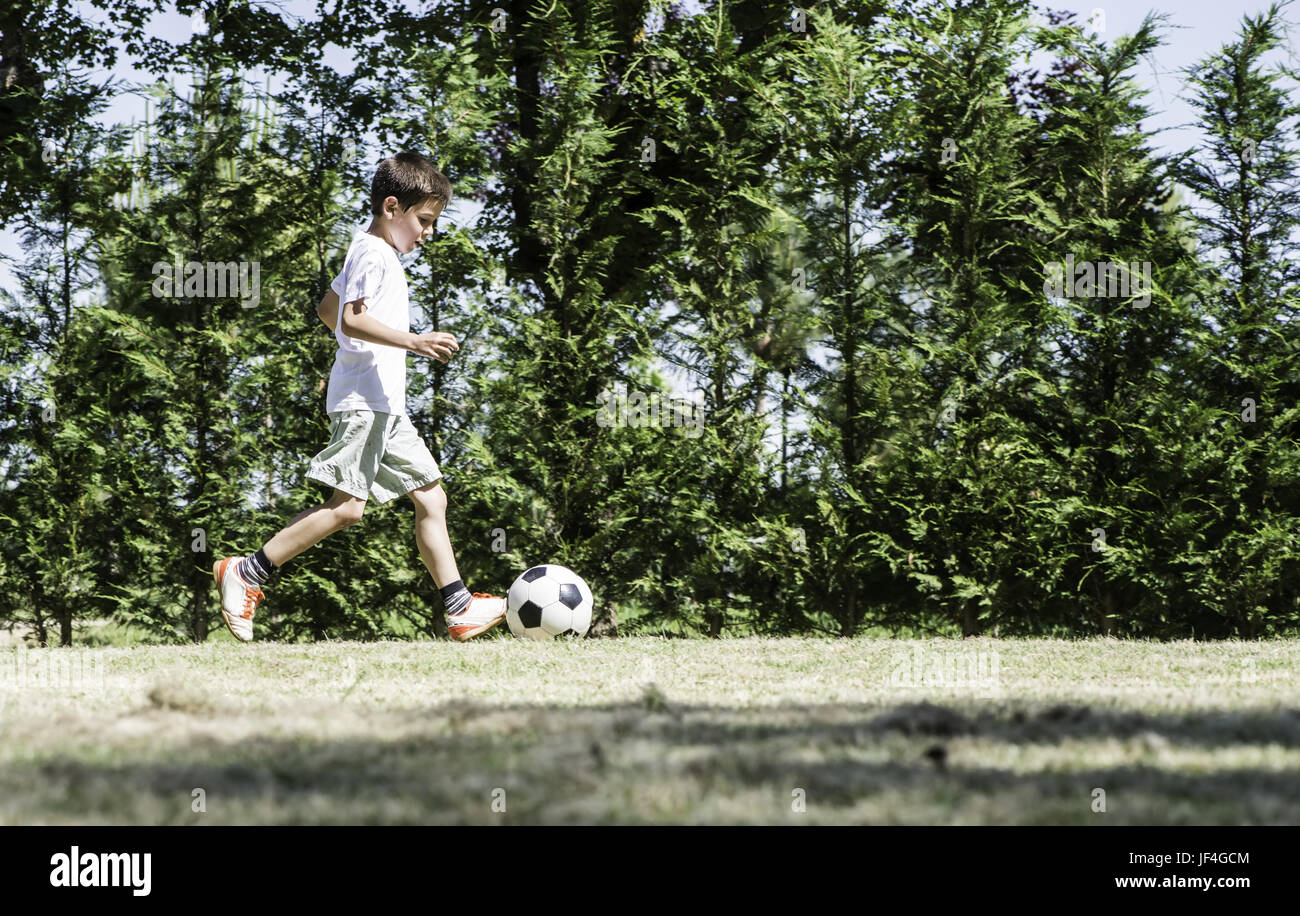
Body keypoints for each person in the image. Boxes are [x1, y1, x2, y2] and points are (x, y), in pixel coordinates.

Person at [212, 152, 507, 643]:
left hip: (383, 403)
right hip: (366, 404)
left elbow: (328, 308)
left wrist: (358, 358)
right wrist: (412, 341)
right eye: (424, 220)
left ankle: (459, 608)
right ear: (392, 206)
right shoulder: (374, 253)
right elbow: (348, 319)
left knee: (432, 497)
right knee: (348, 508)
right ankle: (248, 571)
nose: (428, 233)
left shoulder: (370, 251)